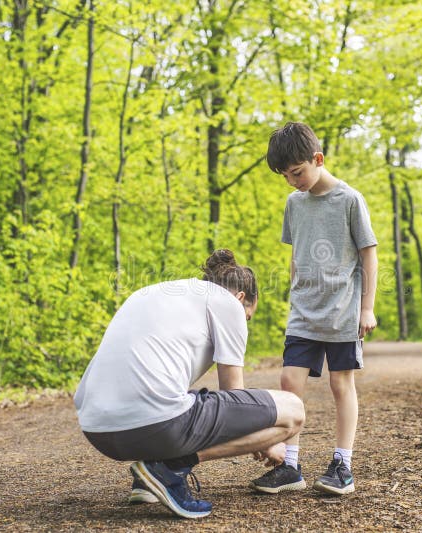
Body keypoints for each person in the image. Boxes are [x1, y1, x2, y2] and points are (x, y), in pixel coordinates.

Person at [74, 249, 305, 519]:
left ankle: (148, 477)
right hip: (152, 425)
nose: (245, 324)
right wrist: (267, 442)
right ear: (241, 298)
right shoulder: (228, 303)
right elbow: (236, 398)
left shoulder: (157, 293)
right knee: (293, 411)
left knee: (183, 400)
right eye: (248, 317)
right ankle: (169, 468)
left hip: (97, 429)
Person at [250, 122, 378, 496]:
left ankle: (343, 464)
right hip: (304, 310)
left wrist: (367, 308)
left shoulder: (350, 200)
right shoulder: (294, 204)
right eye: (286, 176)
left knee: (341, 383)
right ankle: (290, 466)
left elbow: (369, 254)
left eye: (297, 172)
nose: (292, 181)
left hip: (342, 311)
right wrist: (294, 290)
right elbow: (297, 251)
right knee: (290, 383)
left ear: (317, 159)